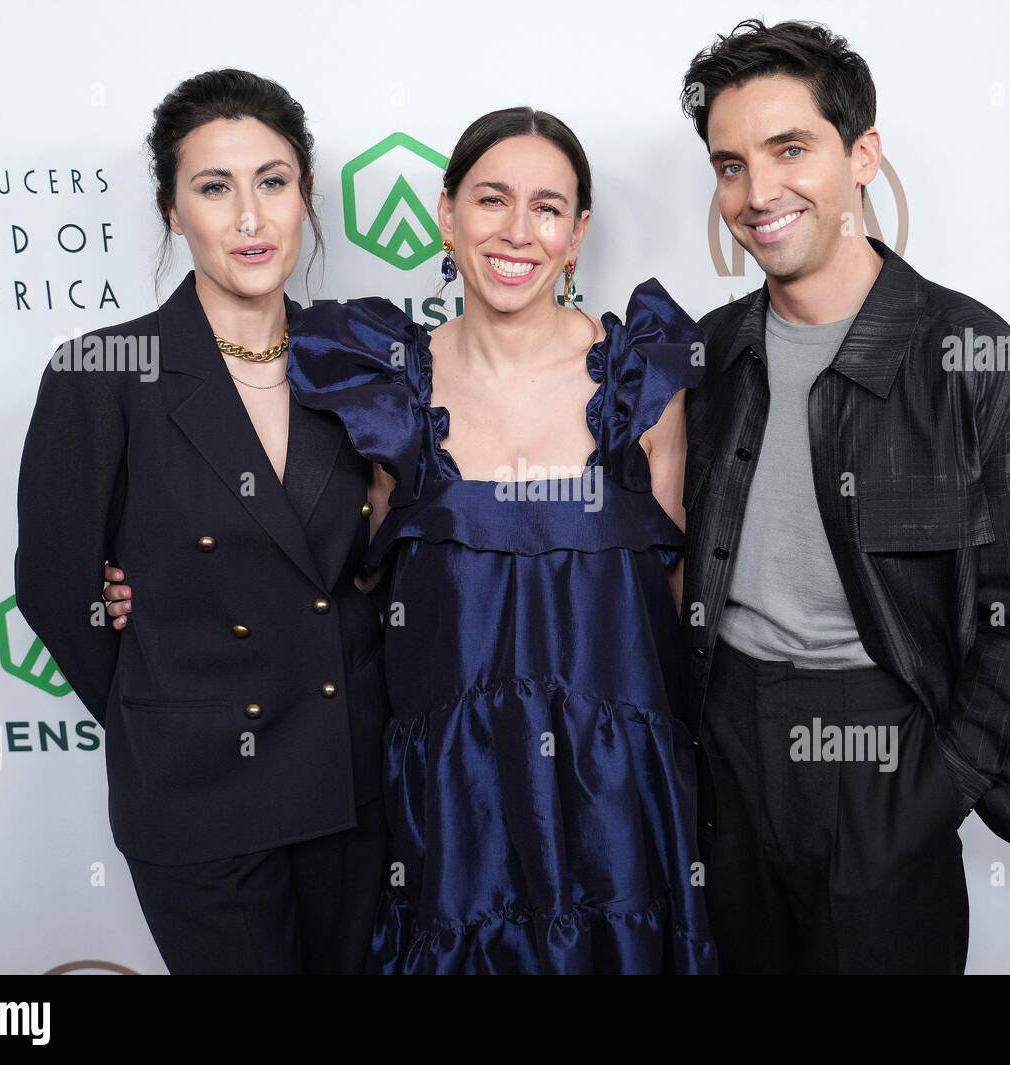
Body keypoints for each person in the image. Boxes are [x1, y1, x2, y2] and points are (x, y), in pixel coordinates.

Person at [677, 20, 1010, 974]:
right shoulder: (709, 354)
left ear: (862, 155)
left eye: (790, 150)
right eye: (730, 165)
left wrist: (935, 788)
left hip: (881, 748)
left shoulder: (982, 363)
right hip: (725, 740)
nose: (758, 192)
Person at [287, 107, 718, 974]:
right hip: (456, 814)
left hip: (616, 808)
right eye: (491, 200)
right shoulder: (384, 385)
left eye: (547, 207)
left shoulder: (645, 381)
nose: (517, 231)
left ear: (578, 232)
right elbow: (351, 583)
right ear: (447, 216)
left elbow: (682, 602)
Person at [14, 69, 387, 974]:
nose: (250, 218)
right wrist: (166, 703)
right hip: (200, 797)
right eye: (215, 188)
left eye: (273, 181)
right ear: (172, 211)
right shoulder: (103, 373)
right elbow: (60, 594)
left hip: (353, 781)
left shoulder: (364, 360)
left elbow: (387, 555)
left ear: (305, 194)